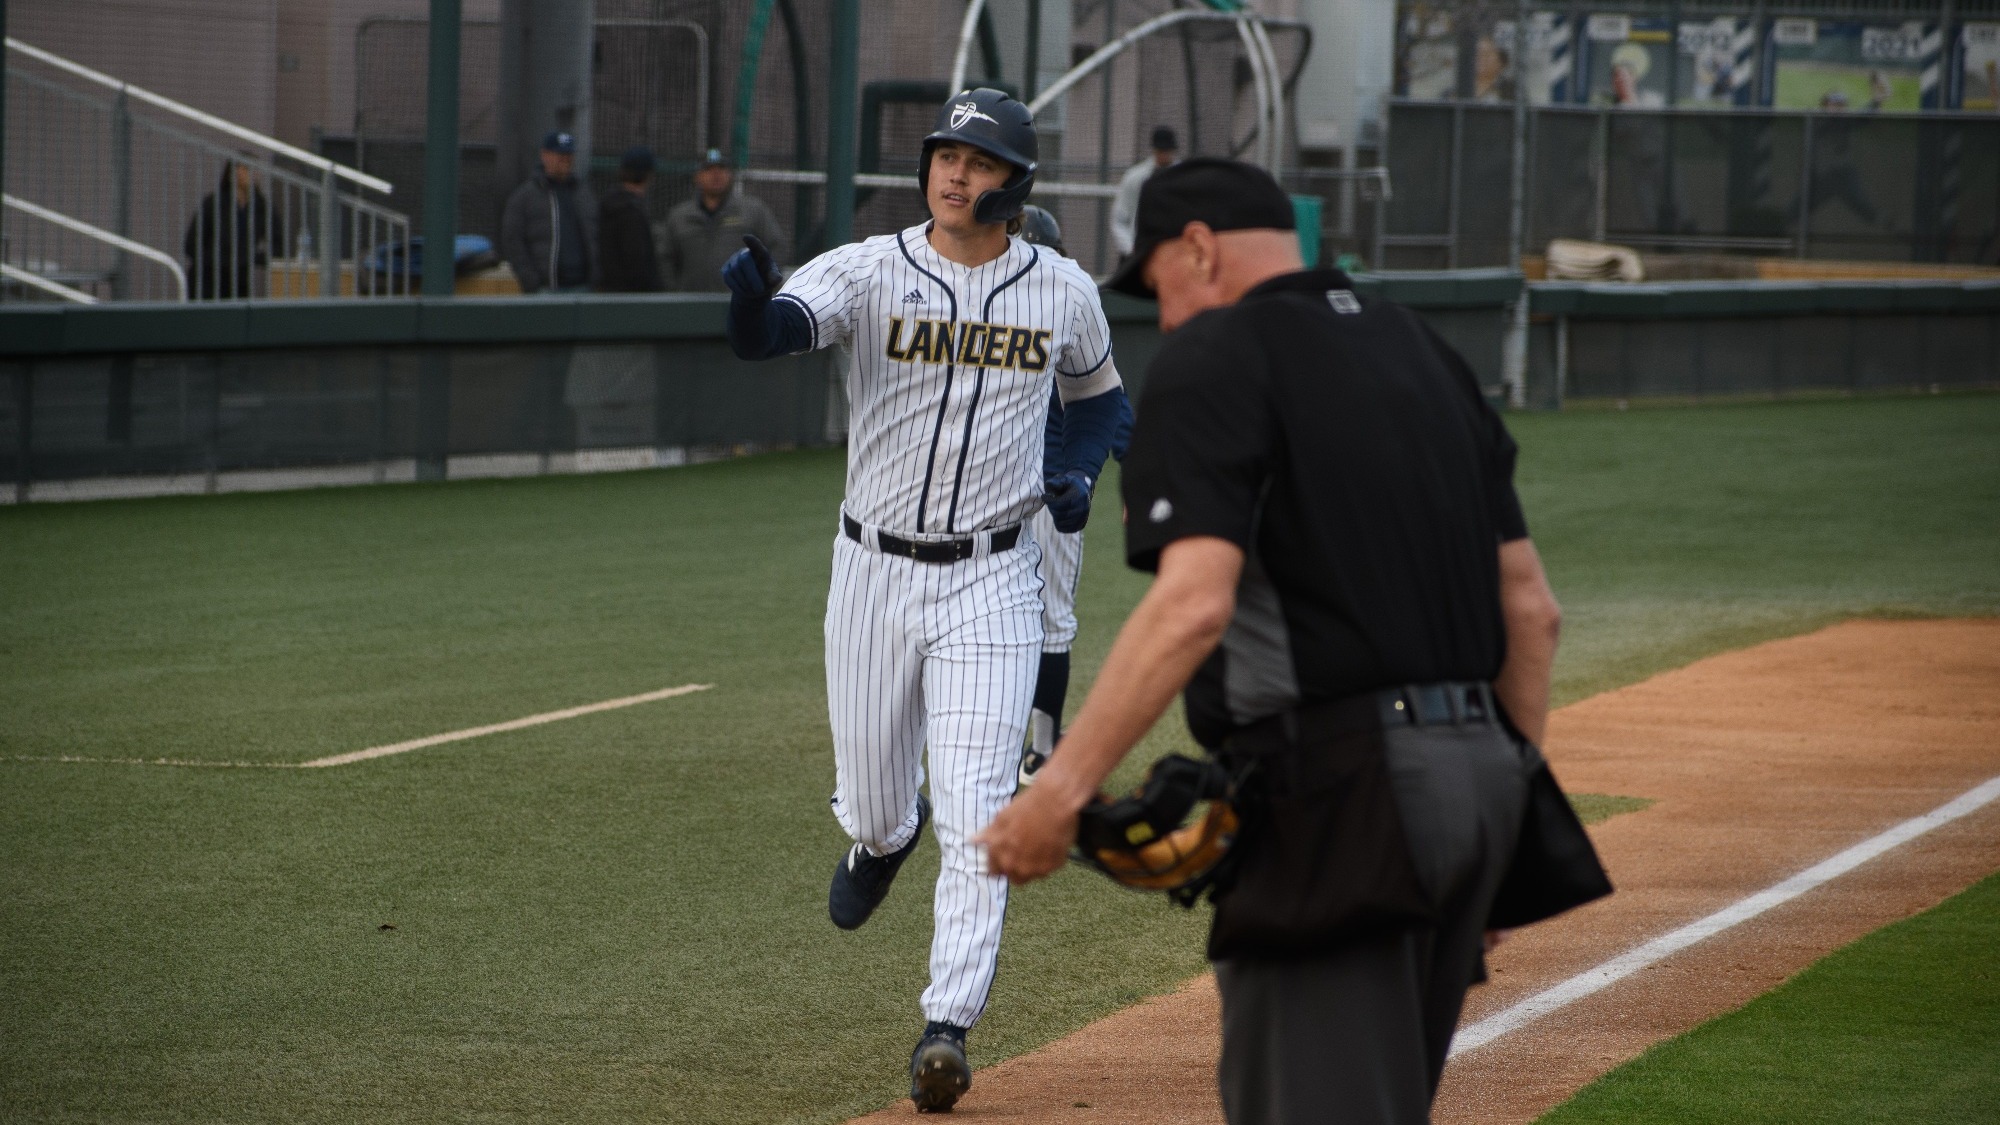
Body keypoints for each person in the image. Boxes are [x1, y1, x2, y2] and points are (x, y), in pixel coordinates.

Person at [978, 158, 1576, 1125]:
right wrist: (1503, 816)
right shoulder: (1421, 350)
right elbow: (1532, 609)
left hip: (1345, 800)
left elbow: (1194, 605)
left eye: (1161, 281)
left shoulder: (1216, 359)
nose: (1165, 316)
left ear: (1201, 249)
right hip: (1480, 782)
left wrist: (1059, 790)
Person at [723, 88, 1131, 1114]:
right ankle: (878, 838)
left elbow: (1102, 403)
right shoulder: (868, 267)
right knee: (872, 797)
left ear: (1015, 185)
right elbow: (774, 333)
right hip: (871, 574)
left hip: (992, 579)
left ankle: (945, 1027)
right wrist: (745, 307)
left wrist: (1079, 472)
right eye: (945, 155)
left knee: (980, 811)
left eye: (979, 161)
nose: (955, 174)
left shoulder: (1061, 291)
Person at [1010, 205, 1135, 786]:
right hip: (1056, 492)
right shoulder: (1064, 304)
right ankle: (1040, 752)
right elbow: (1116, 413)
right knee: (1049, 622)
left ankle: (1025, 748)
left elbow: (1115, 411)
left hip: (1004, 495)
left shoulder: (1007, 304)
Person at [663, 148, 786, 292]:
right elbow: (665, 260)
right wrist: (674, 292)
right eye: (708, 169)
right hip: (690, 307)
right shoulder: (679, 216)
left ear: (730, 175)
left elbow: (776, 248)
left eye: (721, 168)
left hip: (739, 305)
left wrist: (760, 287)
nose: (716, 174)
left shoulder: (753, 211)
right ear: (697, 176)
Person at [500, 131, 597, 294]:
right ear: (545, 155)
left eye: (568, 155)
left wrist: (596, 277)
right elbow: (512, 240)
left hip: (583, 287)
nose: (565, 159)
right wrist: (531, 282)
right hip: (545, 289)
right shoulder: (525, 196)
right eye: (560, 154)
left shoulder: (583, 193)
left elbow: (595, 234)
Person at [183, 157, 272, 300]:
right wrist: (220, 259)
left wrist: (256, 257)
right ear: (233, 173)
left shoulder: (261, 207)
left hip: (239, 282)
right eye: (246, 169)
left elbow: (277, 241)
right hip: (208, 281)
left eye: (255, 169)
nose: (253, 173)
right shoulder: (214, 203)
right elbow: (191, 244)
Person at [597, 146, 663, 292]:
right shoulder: (631, 211)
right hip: (631, 296)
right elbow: (636, 261)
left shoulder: (607, 204)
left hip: (609, 292)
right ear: (649, 175)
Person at [1110, 125, 1179, 258]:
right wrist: (1131, 249)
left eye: (1167, 150)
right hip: (1139, 251)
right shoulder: (1136, 177)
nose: (1164, 154)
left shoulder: (1182, 177)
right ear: (1154, 150)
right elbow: (1119, 218)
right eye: (1161, 150)